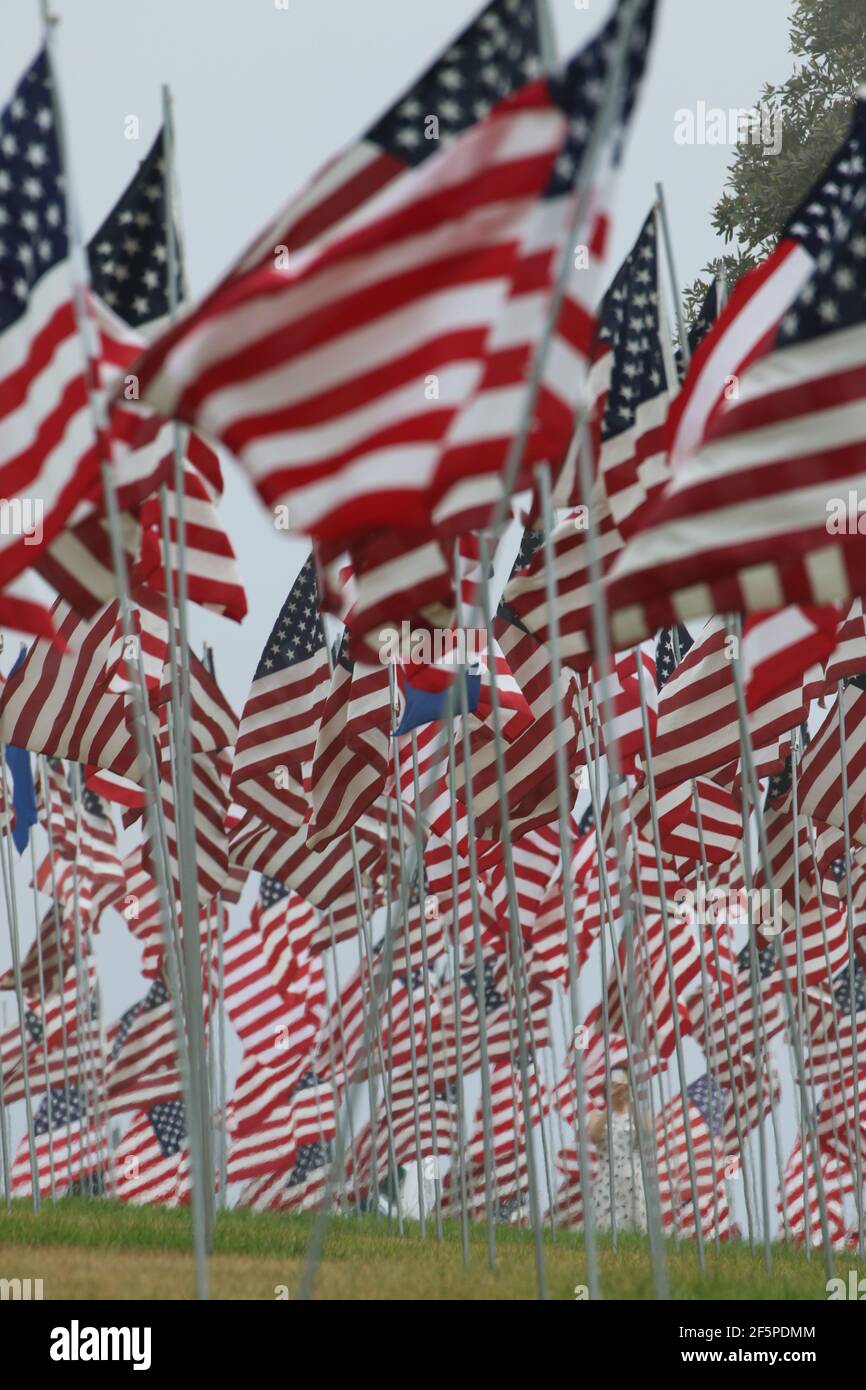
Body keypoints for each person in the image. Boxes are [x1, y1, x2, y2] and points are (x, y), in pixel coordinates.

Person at [588, 1067, 648, 1235]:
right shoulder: (597, 1115)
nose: (620, 1090)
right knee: (606, 1227)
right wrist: (610, 1105)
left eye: (624, 1086)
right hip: (607, 1181)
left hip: (634, 1180)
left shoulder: (639, 1114)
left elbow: (647, 1134)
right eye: (615, 1086)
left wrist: (632, 1100)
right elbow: (594, 1136)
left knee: (636, 1230)